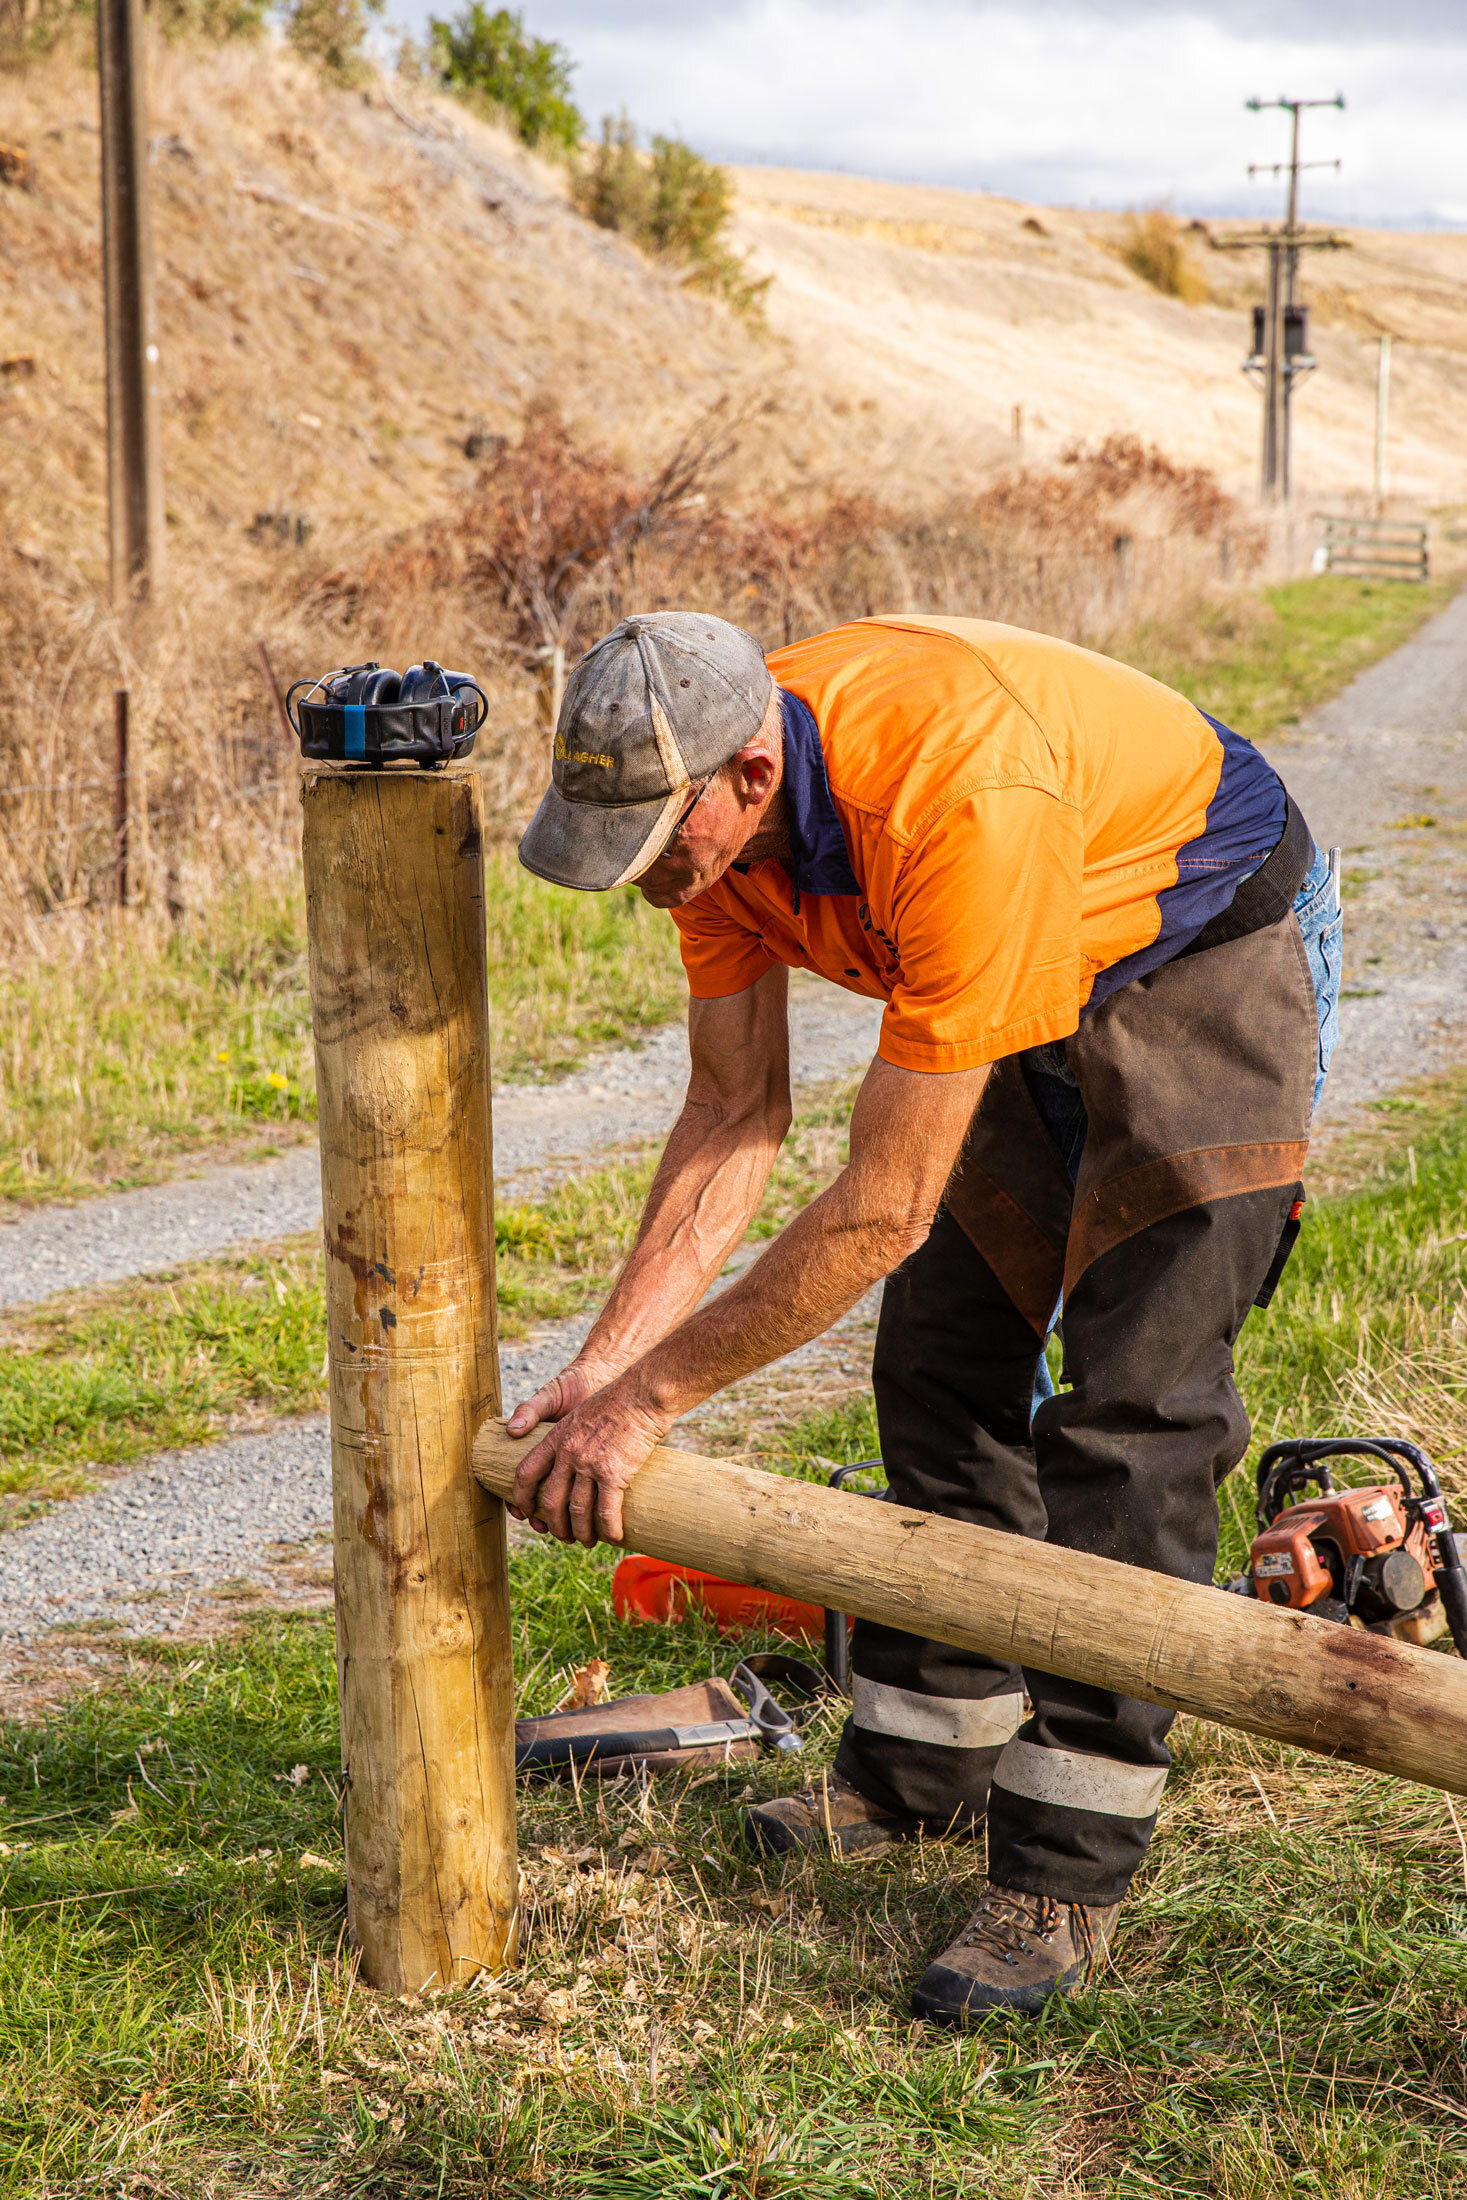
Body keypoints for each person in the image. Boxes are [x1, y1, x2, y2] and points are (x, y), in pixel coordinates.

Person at [507, 609, 1340, 2021]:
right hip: (1030, 950)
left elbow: (881, 1207)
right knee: (943, 1358)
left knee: (1133, 1414)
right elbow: (732, 1112)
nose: (646, 878)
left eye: (657, 842)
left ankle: (1064, 1871)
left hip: (1202, 944)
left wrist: (650, 1407)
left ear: (751, 776)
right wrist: (608, 1365)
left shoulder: (951, 800)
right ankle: (923, 1762)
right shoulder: (709, 825)